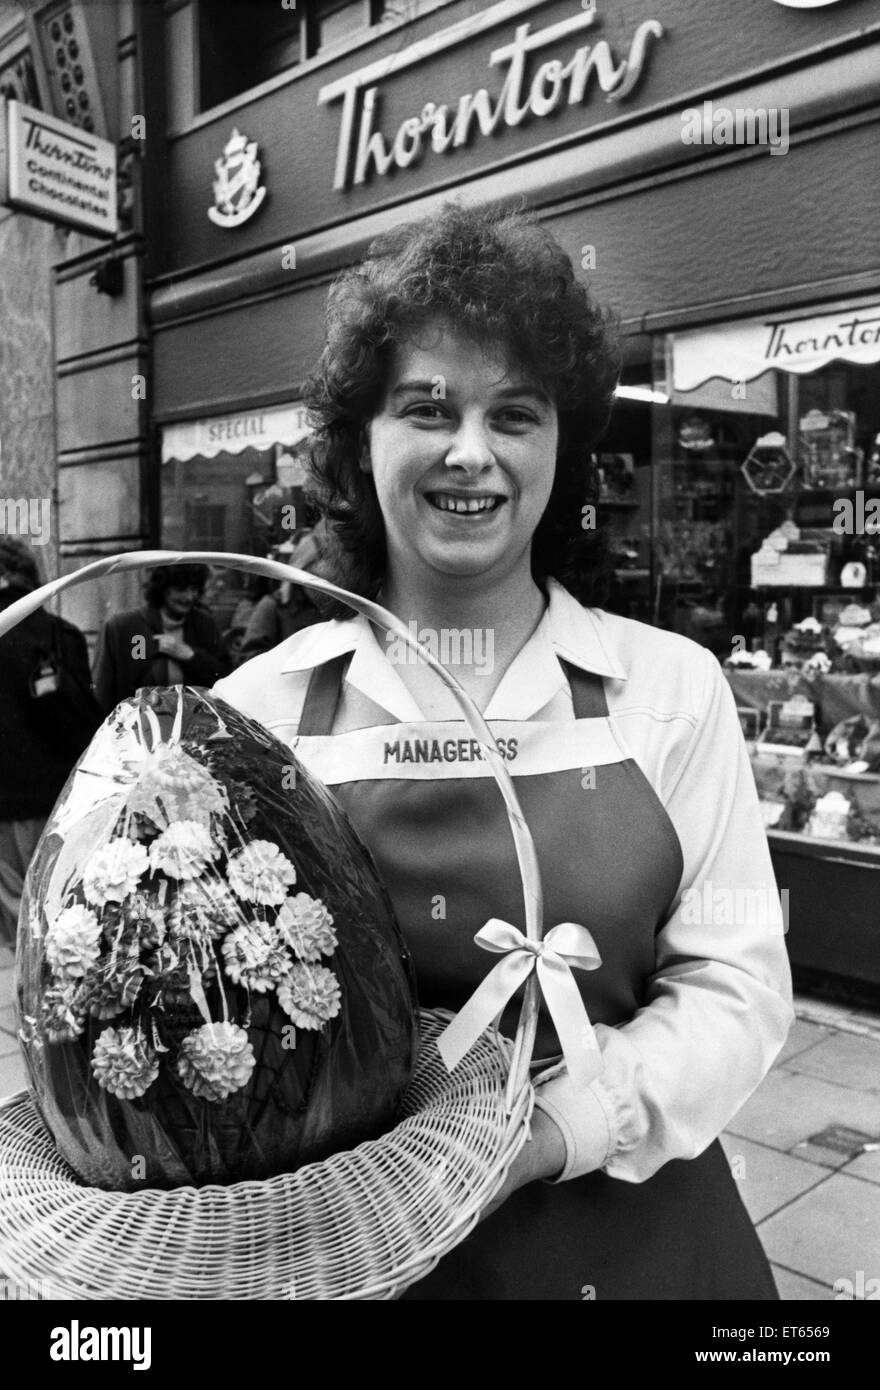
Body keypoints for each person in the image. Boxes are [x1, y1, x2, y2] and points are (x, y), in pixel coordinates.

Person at [214, 202, 794, 1300]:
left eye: (514, 414)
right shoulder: (260, 713)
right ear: (360, 440)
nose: (470, 451)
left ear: (560, 445)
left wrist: (544, 1131)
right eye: (426, 408)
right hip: (356, 1254)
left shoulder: (667, 692)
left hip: (640, 1243)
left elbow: (737, 987)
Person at [0, 538, 101, 946]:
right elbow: (81, 721)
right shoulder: (58, 635)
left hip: (2, 801)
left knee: (12, 910)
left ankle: (18, 996)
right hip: (56, 798)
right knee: (59, 901)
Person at [93, 563, 231, 715]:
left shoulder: (204, 624)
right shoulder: (124, 626)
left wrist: (190, 656)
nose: (189, 597)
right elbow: (102, 689)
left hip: (191, 727)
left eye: (194, 589)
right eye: (180, 590)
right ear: (162, 590)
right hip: (135, 727)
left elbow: (224, 680)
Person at [237, 531, 324, 663]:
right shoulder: (273, 606)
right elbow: (248, 663)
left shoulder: (330, 610)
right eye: (315, 574)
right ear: (302, 572)